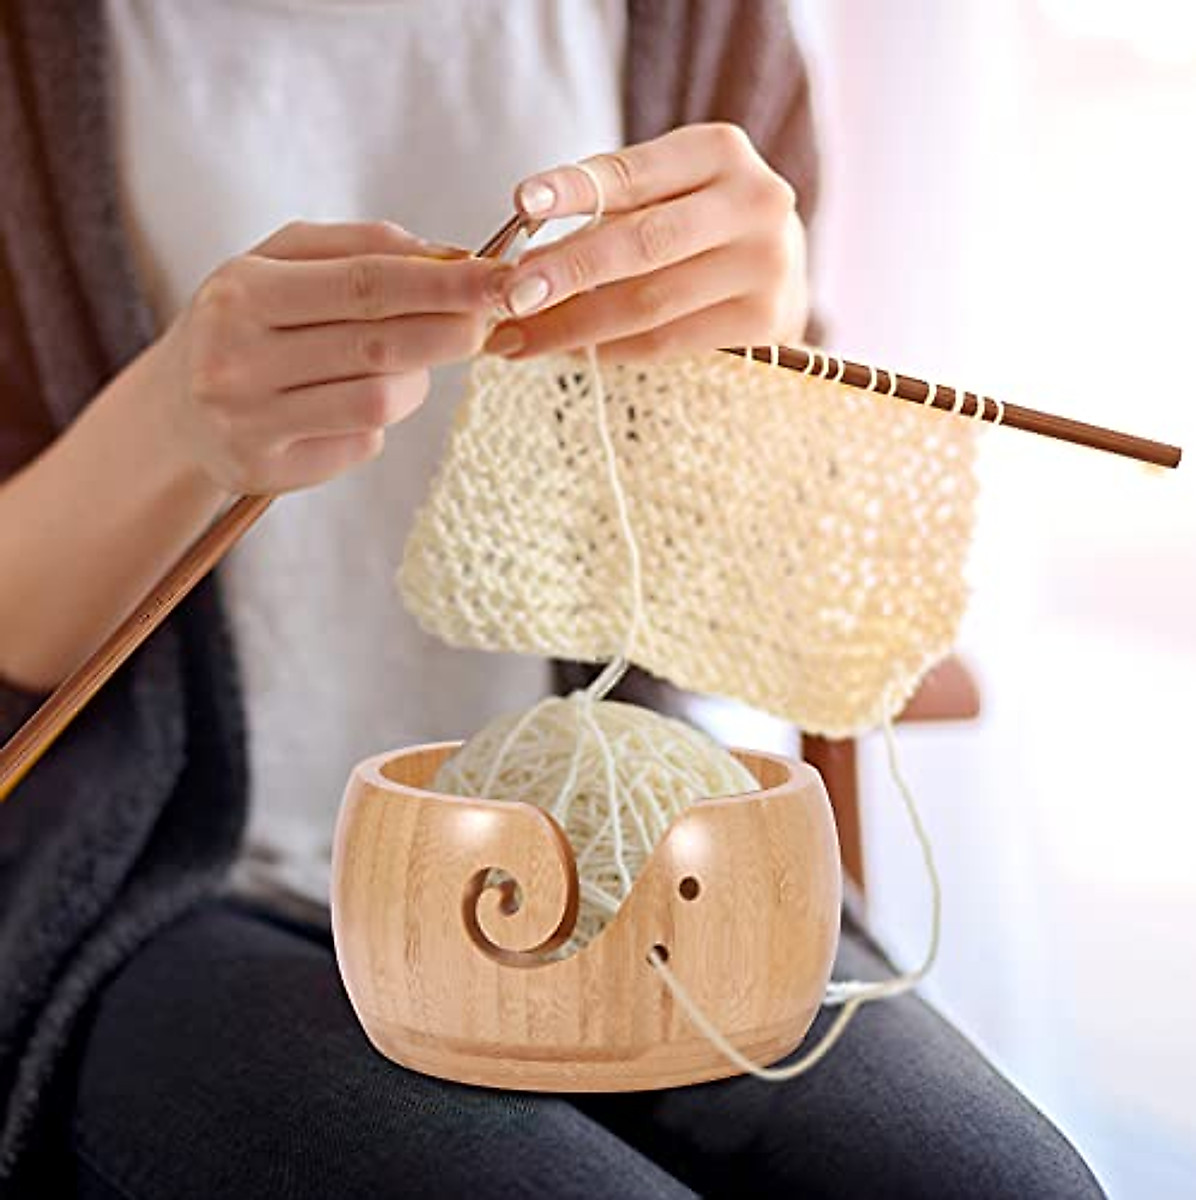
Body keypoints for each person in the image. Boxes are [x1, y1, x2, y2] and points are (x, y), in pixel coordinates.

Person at [0, 1, 1105, 1196]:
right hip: (171, 885)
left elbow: (746, 581)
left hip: (641, 842)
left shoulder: (696, 19)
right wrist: (170, 424)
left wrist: (765, 341)